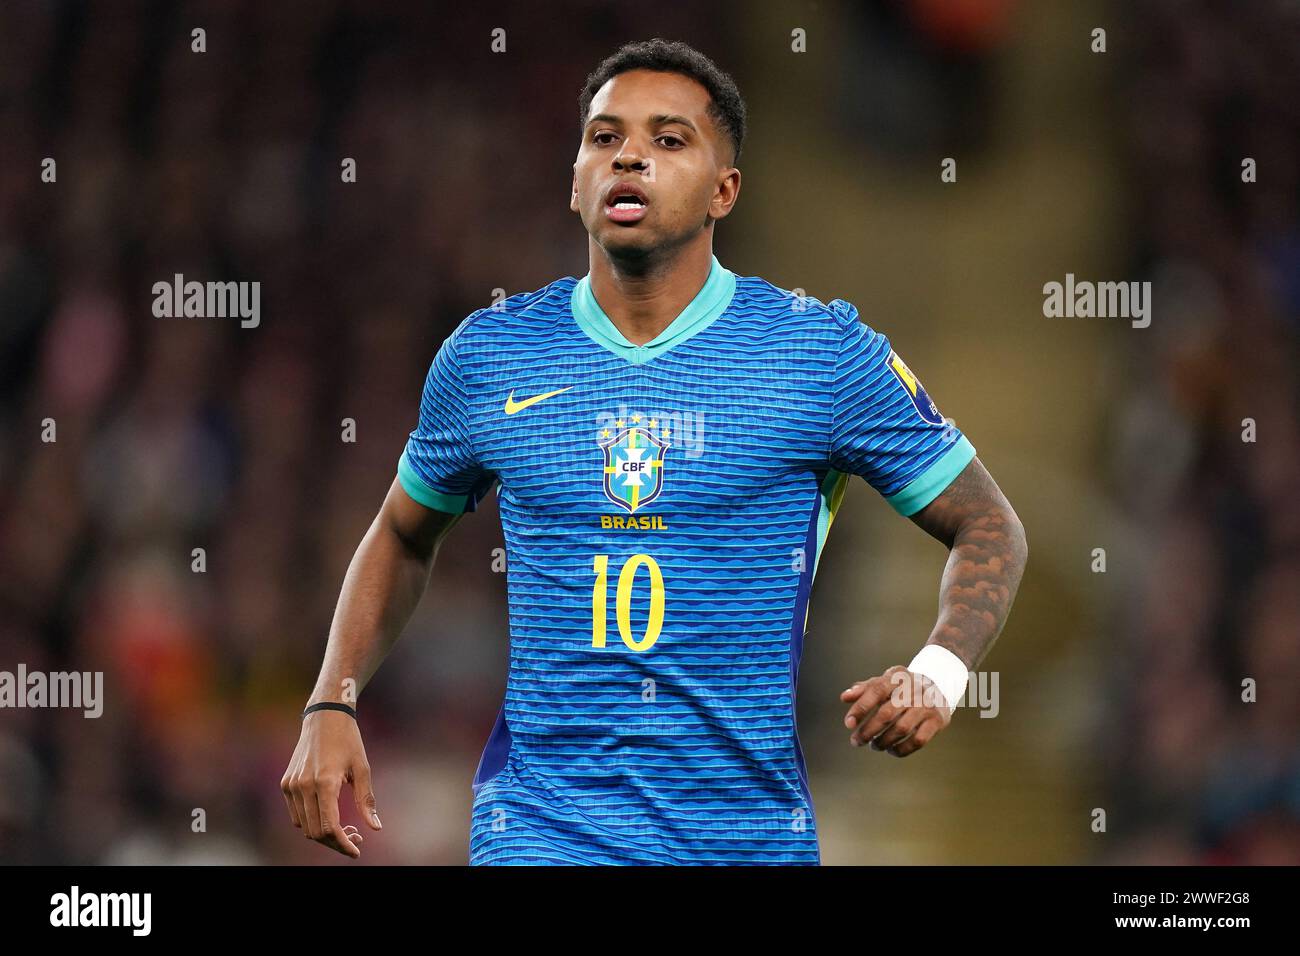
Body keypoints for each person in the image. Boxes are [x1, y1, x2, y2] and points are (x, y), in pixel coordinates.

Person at [281, 38, 1028, 865]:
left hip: (745, 834)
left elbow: (989, 525)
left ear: (724, 189)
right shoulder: (492, 358)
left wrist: (940, 671)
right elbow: (401, 532)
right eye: (604, 138)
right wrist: (332, 701)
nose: (629, 154)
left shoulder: (820, 356)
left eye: (668, 140)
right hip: (541, 830)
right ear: (574, 181)